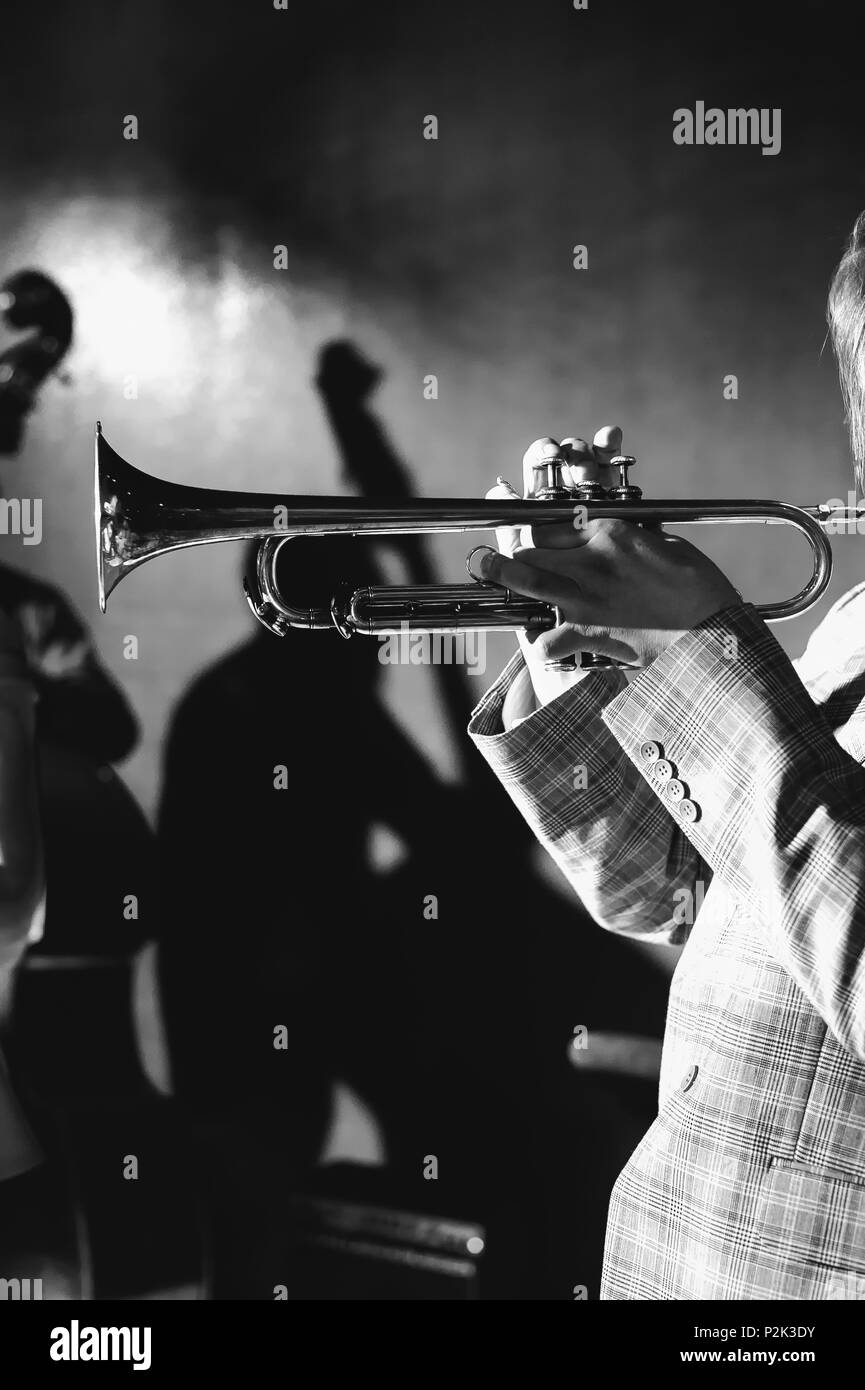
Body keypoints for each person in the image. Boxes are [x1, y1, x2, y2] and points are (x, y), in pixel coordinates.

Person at [467, 212, 865, 1300]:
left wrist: (697, 650)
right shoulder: (856, 625)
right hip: (680, 1255)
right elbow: (669, 889)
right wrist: (577, 654)